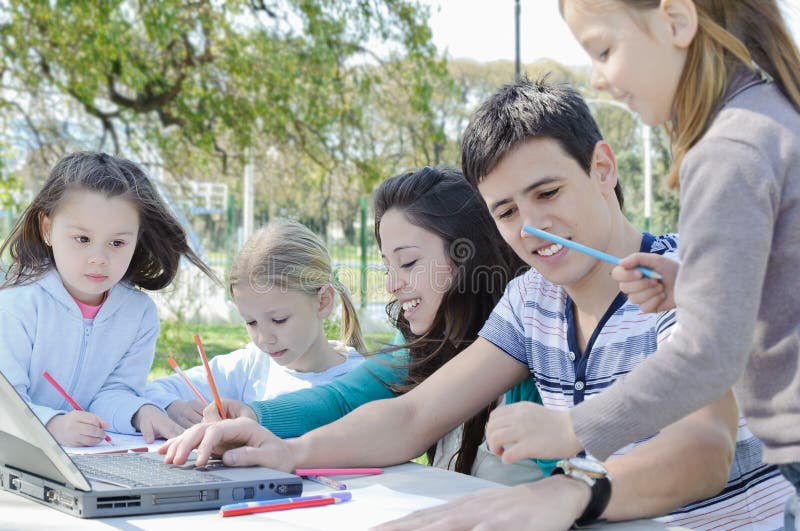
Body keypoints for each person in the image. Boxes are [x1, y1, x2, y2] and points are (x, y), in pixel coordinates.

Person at [160, 80, 792, 529]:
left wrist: (569, 492)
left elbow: (704, 448)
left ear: (603, 169)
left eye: (548, 192)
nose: (532, 227)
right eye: (507, 211)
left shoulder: (685, 279)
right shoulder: (532, 299)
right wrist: (287, 452)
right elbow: (413, 415)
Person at [488, 1, 800, 527]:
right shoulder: (771, 118)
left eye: (604, 50)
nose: (598, 79)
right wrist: (697, 285)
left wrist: (572, 429)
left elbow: (706, 358)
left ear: (676, 20)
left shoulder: (729, 149)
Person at [200, 167, 551, 483]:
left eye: (408, 262)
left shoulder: (536, 350)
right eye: (387, 266)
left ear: (469, 255)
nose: (392, 285)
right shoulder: (423, 344)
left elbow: (575, 482)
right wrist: (255, 416)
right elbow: (343, 401)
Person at [0, 151, 218, 446]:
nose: (99, 258)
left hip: (87, 461)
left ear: (137, 239)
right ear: (47, 229)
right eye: (82, 239)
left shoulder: (138, 313)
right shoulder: (16, 306)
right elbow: (6, 400)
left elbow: (114, 391)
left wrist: (140, 412)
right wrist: (52, 425)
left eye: (117, 242)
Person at [145, 219, 366, 427]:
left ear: (323, 301)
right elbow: (151, 391)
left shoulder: (363, 380)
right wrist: (174, 408)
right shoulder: (251, 366)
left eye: (279, 320)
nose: (264, 338)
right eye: (251, 322)